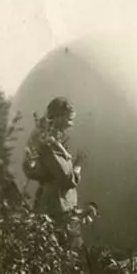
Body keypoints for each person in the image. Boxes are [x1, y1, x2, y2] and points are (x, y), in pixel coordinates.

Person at [22, 97, 85, 249]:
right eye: (69, 119)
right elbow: (67, 179)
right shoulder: (49, 142)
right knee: (67, 255)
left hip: (53, 206)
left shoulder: (47, 138)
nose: (71, 123)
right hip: (58, 210)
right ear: (58, 118)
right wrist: (78, 165)